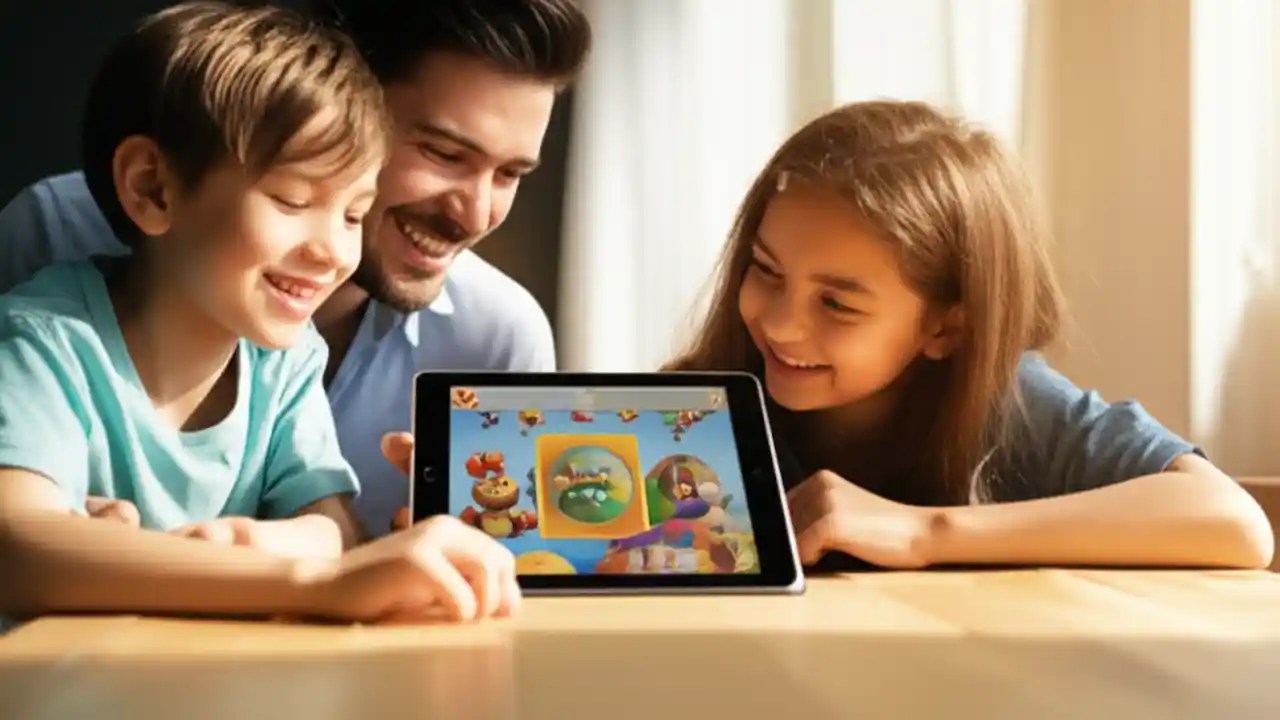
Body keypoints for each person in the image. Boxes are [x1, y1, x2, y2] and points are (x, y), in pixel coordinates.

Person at [0, 1, 518, 628]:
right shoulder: (45, 344)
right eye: (293, 200)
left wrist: (281, 545)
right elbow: (17, 546)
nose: (332, 253)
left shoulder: (286, 361)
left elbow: (331, 527)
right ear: (151, 188)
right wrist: (312, 582)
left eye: (354, 215)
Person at [664, 100, 1273, 571]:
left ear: (947, 326)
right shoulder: (692, 412)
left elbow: (1235, 524)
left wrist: (925, 531)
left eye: (837, 303)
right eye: (766, 270)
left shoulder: (1010, 407)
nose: (778, 323)